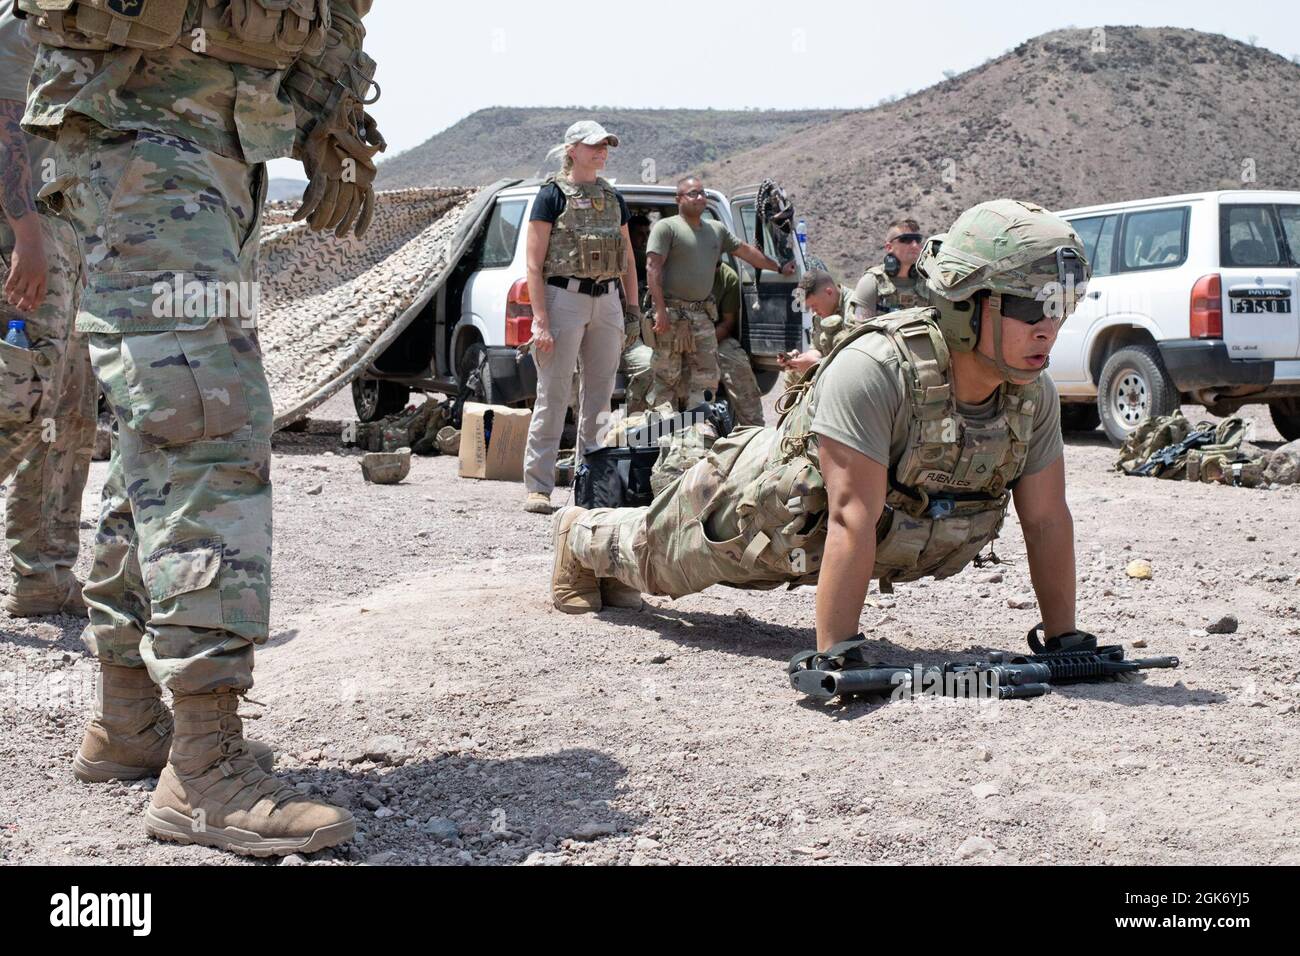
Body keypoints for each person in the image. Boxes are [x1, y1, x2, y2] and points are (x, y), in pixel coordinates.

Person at [18, 0, 386, 856]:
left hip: (221, 147)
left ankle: (129, 717)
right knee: (205, 417)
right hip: (144, 136)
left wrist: (333, 110)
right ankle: (205, 772)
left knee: (162, 429)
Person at [550, 199, 1095, 660]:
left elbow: (1046, 519)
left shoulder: (1029, 395)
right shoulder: (880, 368)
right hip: (746, 509)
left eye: (1061, 306)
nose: (1050, 327)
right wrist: (839, 650)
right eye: (1030, 308)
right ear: (964, 304)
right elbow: (850, 514)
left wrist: (1064, 640)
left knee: (660, 541)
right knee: (653, 559)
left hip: (805, 538)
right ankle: (577, 534)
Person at [0, 4, 94, 619]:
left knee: (69, 416)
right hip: (29, 239)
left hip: (79, 240)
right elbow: (3, 131)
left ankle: (44, 574)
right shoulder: (19, 30)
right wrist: (26, 237)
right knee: (20, 408)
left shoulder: (94, 25)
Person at [522, 120, 638, 514]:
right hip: (563, 298)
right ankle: (538, 487)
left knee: (601, 396)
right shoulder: (551, 196)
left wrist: (632, 308)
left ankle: (592, 485)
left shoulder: (613, 197)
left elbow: (627, 259)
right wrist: (540, 320)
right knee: (553, 392)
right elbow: (533, 265)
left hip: (606, 300)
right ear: (573, 149)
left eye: (606, 145)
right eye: (594, 146)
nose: (601, 151)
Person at [645, 176, 793, 414]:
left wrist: (778, 267)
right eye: (693, 193)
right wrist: (660, 310)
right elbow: (652, 268)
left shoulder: (716, 230)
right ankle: (664, 438)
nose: (700, 197)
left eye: (702, 193)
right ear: (678, 199)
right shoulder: (667, 228)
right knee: (667, 377)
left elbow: (745, 252)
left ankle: (696, 434)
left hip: (702, 316)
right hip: (671, 315)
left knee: (706, 378)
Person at [778, 269, 863, 383]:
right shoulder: (820, 315)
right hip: (831, 366)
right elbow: (818, 349)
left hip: (854, 370)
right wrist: (800, 359)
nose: (814, 311)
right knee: (792, 374)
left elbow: (859, 356)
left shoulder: (856, 308)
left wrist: (818, 363)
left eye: (814, 305)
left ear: (829, 292)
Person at [711, 261, 764, 427]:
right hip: (676, 335)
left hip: (713, 337)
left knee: (738, 365)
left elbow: (728, 323)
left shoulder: (727, 277)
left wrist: (705, 344)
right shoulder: (677, 268)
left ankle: (754, 431)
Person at [851, 217, 929, 319]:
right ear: (889, 247)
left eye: (918, 240)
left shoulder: (929, 282)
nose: (915, 245)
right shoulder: (872, 282)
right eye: (906, 240)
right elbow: (860, 329)